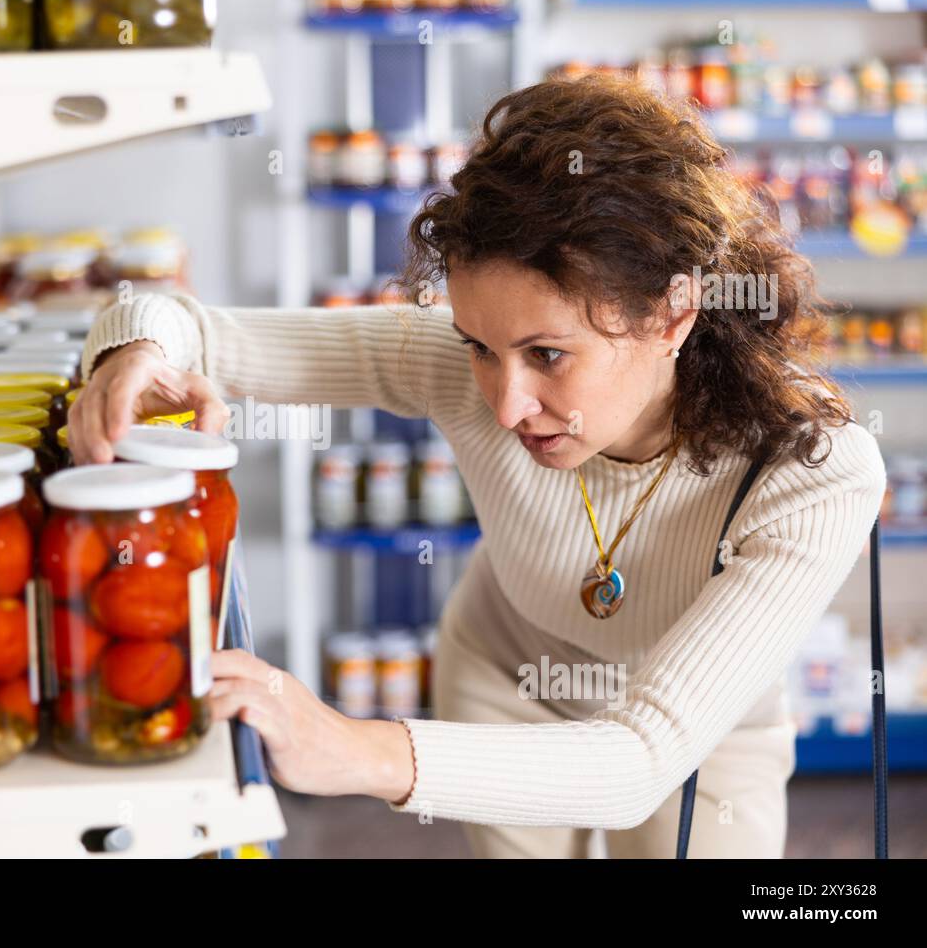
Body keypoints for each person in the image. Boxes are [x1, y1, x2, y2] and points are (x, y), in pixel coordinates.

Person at [66, 75, 885, 858]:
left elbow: (637, 761)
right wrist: (132, 353)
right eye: (480, 347)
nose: (504, 403)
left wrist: (354, 748)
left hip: (700, 727)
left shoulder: (812, 470)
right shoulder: (466, 365)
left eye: (548, 355)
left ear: (674, 312)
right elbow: (180, 322)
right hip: (506, 675)